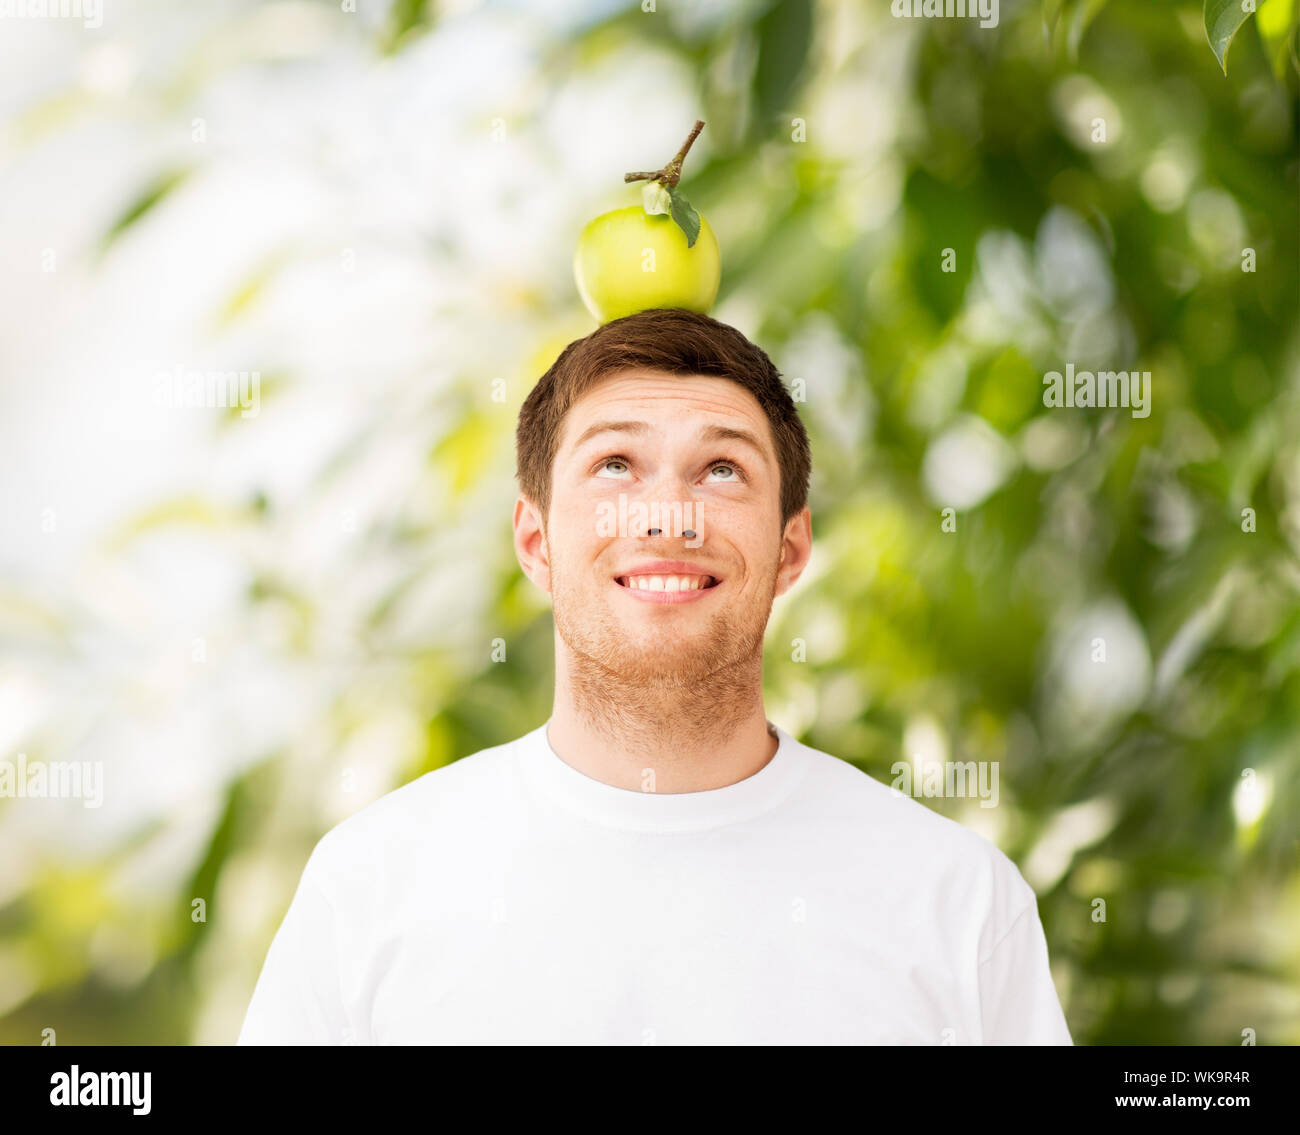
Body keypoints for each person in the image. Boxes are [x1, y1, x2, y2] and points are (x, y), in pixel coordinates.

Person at [237, 307, 1073, 1045]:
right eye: (614, 465)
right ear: (536, 542)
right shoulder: (370, 885)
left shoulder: (960, 904)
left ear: (790, 550)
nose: (668, 515)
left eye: (721, 470)